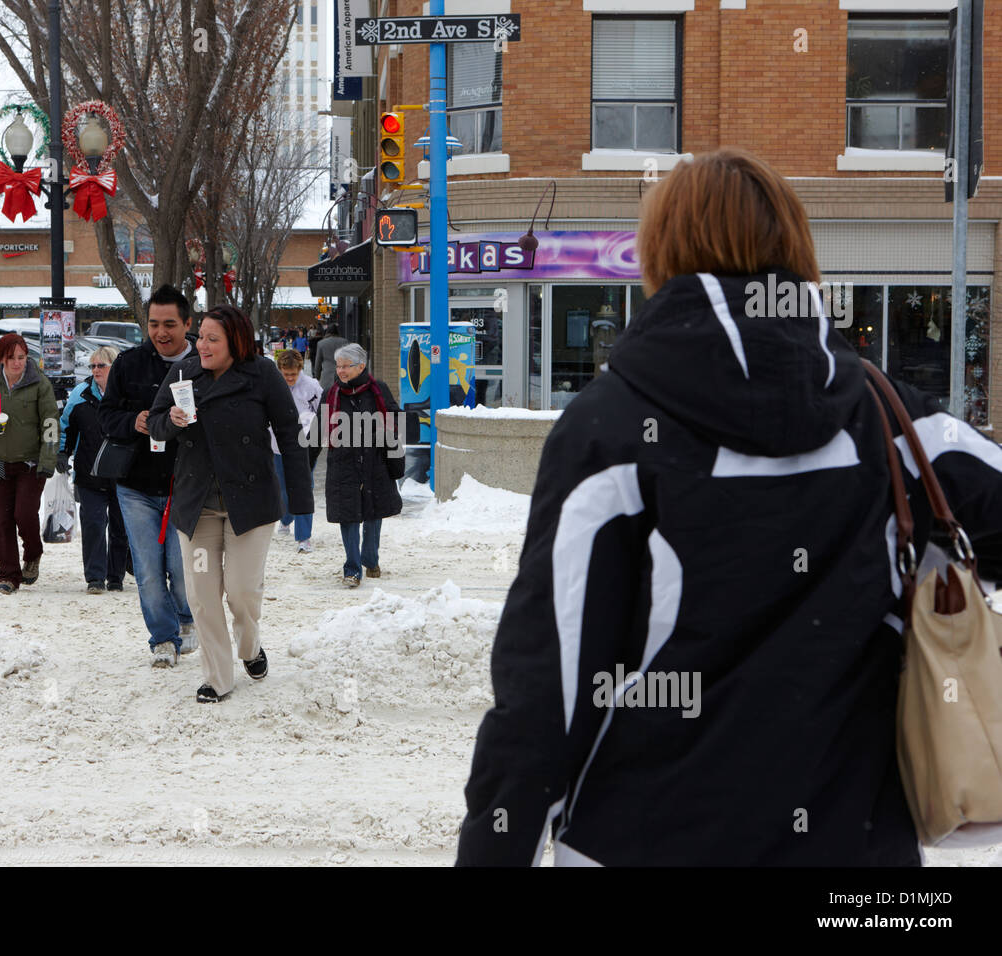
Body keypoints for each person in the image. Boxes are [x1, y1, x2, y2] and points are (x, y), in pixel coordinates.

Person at [455, 148, 1002, 867]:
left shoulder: (609, 428)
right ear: (797, 251)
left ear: (660, 258)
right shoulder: (896, 423)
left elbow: (545, 693)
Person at [149, 305, 313, 704]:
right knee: (202, 595)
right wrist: (170, 420)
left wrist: (301, 498)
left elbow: (289, 436)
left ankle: (250, 648)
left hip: (250, 504)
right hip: (198, 505)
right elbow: (154, 424)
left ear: (234, 342)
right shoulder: (184, 373)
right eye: (200, 336)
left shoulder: (263, 374)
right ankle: (217, 678)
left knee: (241, 591)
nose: (201, 345)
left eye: (211, 339)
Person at [98, 284, 198, 667]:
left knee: (180, 566)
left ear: (187, 324)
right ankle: (163, 638)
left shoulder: (201, 365)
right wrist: (133, 421)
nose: (161, 333)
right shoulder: (128, 363)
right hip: (135, 485)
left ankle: (187, 617)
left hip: (184, 484)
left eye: (170, 324)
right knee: (148, 569)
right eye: (154, 324)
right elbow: (106, 416)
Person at [0, 333, 59, 594]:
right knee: (2, 520)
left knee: (24, 514)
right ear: (1, 359)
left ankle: (33, 552)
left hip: (30, 464)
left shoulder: (39, 383)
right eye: (11, 358)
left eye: (22, 357)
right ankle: (7, 576)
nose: (17, 363)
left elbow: (50, 423)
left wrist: (48, 459)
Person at [323, 344, 404, 588]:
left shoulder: (379, 389)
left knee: (373, 513)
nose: (340, 371)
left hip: (374, 462)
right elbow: (319, 426)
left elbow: (393, 421)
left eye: (345, 366)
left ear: (361, 366)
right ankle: (352, 568)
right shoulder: (332, 393)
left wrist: (389, 447)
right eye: (338, 366)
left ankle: (371, 558)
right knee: (348, 517)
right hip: (343, 464)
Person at [59, 345, 128, 594]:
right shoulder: (81, 394)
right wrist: (62, 452)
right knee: (94, 524)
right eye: (93, 366)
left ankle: (116, 576)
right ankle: (95, 578)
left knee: (121, 528)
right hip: (89, 473)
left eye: (101, 365)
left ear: (114, 367)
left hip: (123, 474)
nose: (96, 370)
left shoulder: (127, 394)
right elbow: (66, 426)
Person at [270, 349, 322, 552]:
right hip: (277, 445)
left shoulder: (312, 387)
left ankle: (304, 537)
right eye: (286, 374)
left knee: (302, 489)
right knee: (282, 489)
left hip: (304, 446)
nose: (290, 378)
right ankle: (285, 518)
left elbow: (322, 413)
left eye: (294, 374)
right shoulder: (272, 387)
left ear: (300, 369)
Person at [313, 322, 348, 392]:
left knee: (325, 400)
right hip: (342, 376)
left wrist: (317, 376)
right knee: (340, 398)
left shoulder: (321, 343)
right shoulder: (344, 342)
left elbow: (318, 363)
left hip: (326, 377)